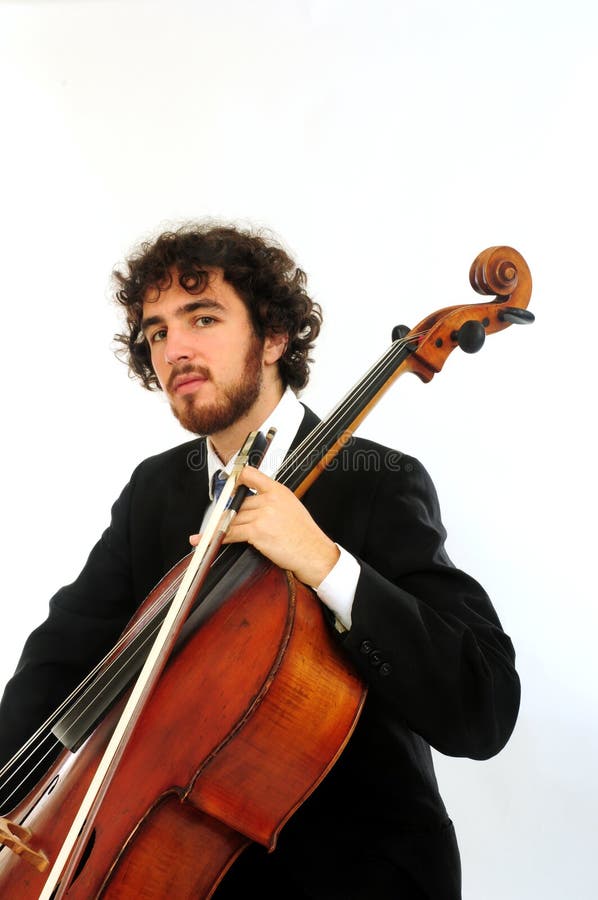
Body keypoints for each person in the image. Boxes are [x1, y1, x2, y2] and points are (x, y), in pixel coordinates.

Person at [0, 223, 520, 899]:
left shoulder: (376, 480)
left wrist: (322, 559)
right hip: (171, 868)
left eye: (203, 318)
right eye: (156, 332)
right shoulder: (155, 491)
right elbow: (58, 663)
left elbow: (481, 705)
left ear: (274, 337)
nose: (174, 349)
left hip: (358, 877)